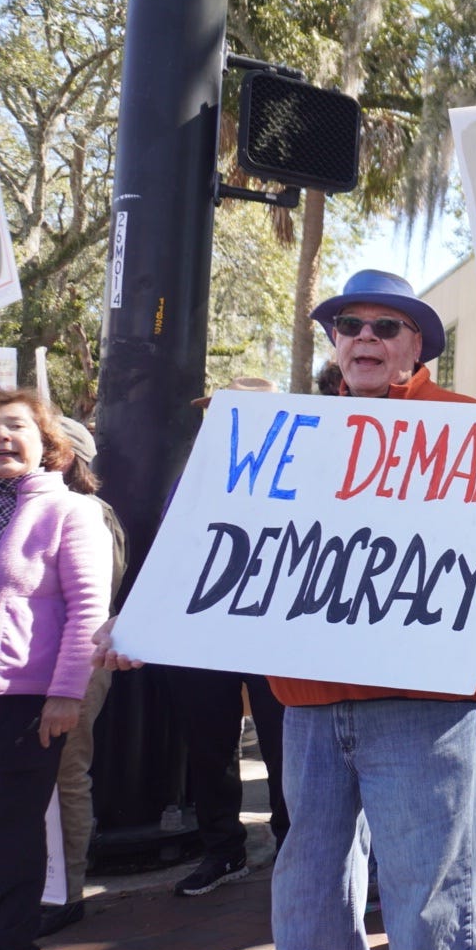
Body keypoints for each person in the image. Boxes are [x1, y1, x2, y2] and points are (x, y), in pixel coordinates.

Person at [98, 270, 476, 950]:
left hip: (424, 706)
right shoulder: (293, 434)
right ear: (335, 343)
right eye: (350, 326)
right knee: (310, 882)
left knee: (428, 886)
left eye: (386, 327)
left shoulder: (469, 425)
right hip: (311, 704)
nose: (365, 339)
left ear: (418, 346)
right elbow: (213, 543)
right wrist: (140, 622)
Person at [0, 390, 113, 950]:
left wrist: (66, 694)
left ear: (46, 442)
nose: (2, 436)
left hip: (24, 703)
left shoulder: (71, 510)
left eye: (14, 425)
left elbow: (88, 611)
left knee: (11, 838)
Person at [166, 376, 293, 898]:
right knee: (209, 743)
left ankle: (292, 850)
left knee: (284, 746)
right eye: (218, 410)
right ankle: (222, 850)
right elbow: (175, 547)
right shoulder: (195, 475)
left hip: (276, 631)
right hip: (205, 632)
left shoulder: (300, 471)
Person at [37, 417, 126, 938]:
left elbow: (93, 603)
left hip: (74, 666)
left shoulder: (87, 512)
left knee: (66, 776)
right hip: (30, 668)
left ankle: (65, 892)